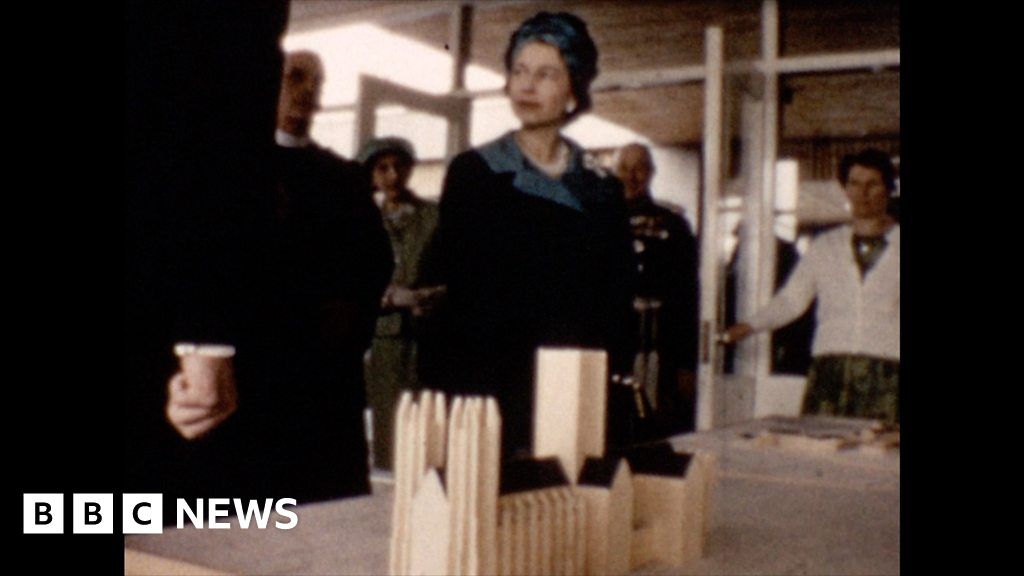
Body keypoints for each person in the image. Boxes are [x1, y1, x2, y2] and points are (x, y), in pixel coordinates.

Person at [160, 50, 393, 504]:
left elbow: (373, 263)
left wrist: (343, 322)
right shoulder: (229, 170)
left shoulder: (343, 176)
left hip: (325, 374)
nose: (308, 90)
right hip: (251, 371)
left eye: (317, 81)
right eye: (295, 77)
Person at [418, 12, 636, 458]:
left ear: (573, 90)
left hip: (572, 387)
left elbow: (616, 296)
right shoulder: (475, 172)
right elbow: (456, 289)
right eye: (519, 71)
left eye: (545, 74)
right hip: (489, 386)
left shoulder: (602, 188)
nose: (526, 86)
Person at [722, 148, 899, 425]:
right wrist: (749, 326)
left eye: (872, 184)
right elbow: (792, 300)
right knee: (824, 454)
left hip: (889, 371)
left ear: (888, 189)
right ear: (845, 189)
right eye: (854, 183)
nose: (862, 193)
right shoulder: (825, 246)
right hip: (830, 370)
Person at [358, 136, 444, 471]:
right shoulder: (363, 221)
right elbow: (352, 280)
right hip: (384, 340)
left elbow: (462, 271)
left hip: (431, 335)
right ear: (372, 176)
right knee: (390, 427)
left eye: (399, 166)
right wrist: (390, 297)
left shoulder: (436, 217)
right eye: (383, 168)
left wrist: (431, 296)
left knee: (430, 423)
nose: (392, 175)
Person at [614, 143, 700, 435]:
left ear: (651, 173)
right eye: (623, 168)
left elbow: (689, 296)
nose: (631, 175)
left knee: (658, 428)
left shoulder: (673, 224)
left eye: (638, 168)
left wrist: (687, 364)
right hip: (614, 344)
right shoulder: (596, 222)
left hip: (662, 344)